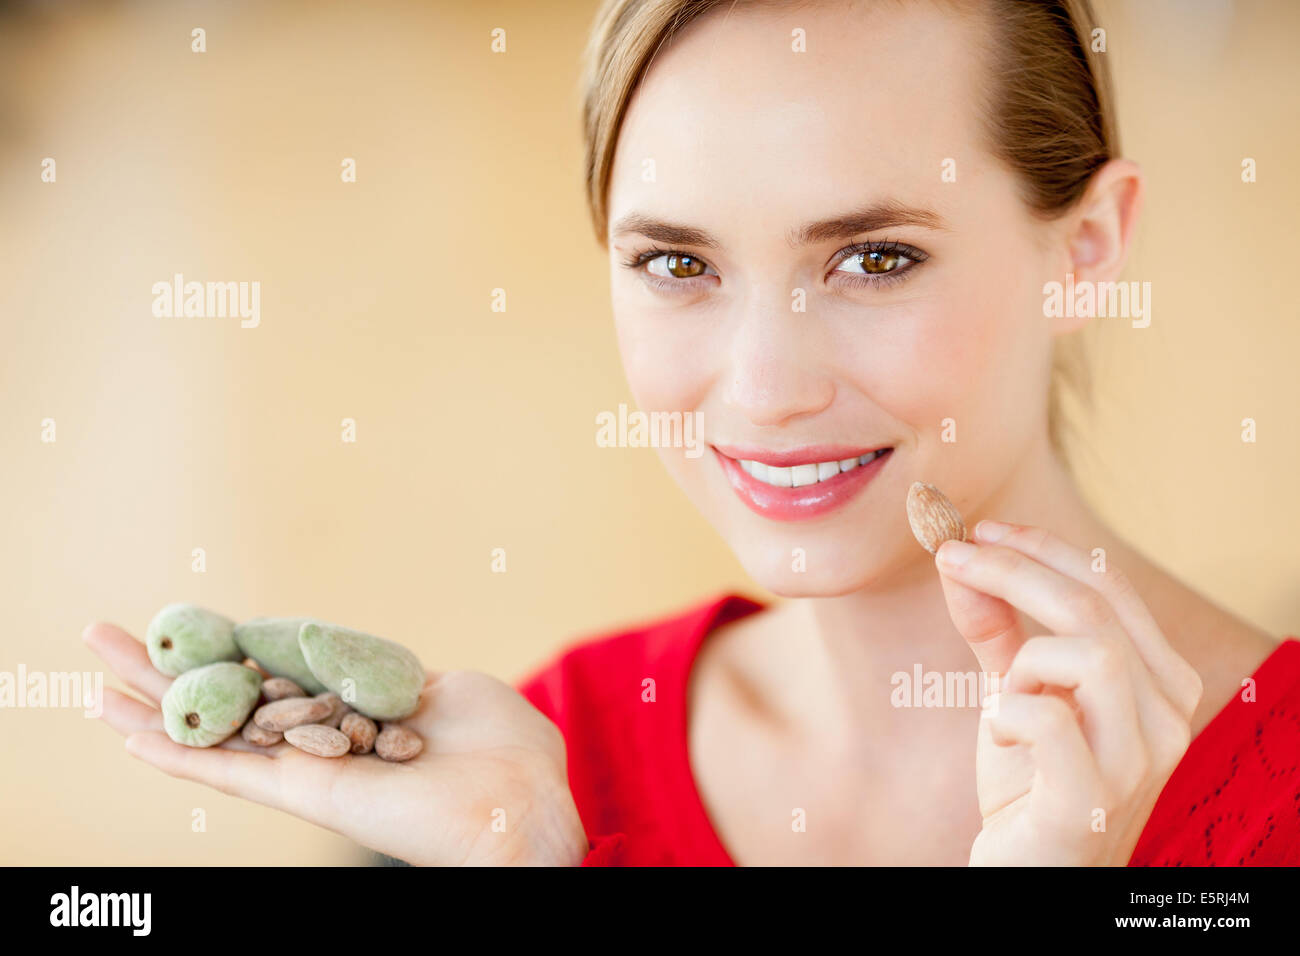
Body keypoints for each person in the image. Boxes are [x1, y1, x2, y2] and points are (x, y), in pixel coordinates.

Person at [85, 0, 1299, 865]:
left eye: (876, 259)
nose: (763, 386)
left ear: (1083, 250)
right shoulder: (542, 760)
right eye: (677, 262)